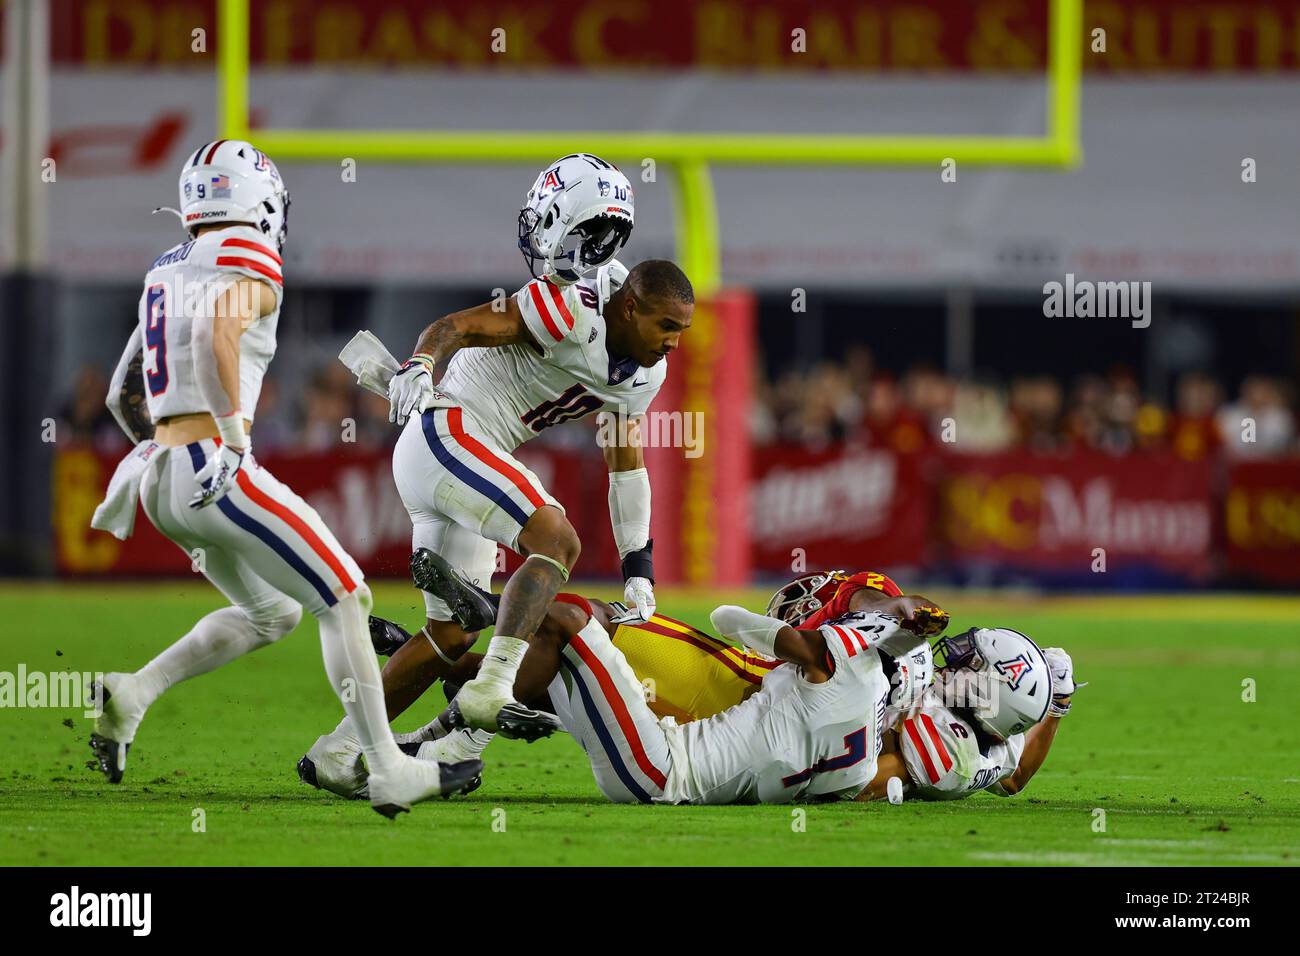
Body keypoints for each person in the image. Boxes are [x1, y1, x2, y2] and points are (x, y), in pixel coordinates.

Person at [88, 140, 481, 817]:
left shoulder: (165, 266)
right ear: (258, 198)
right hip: (212, 462)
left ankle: (132, 694)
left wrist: (169, 453)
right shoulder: (249, 249)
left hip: (160, 478)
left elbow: (124, 396)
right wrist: (230, 443)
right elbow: (218, 333)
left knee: (276, 611)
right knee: (346, 597)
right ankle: (386, 768)